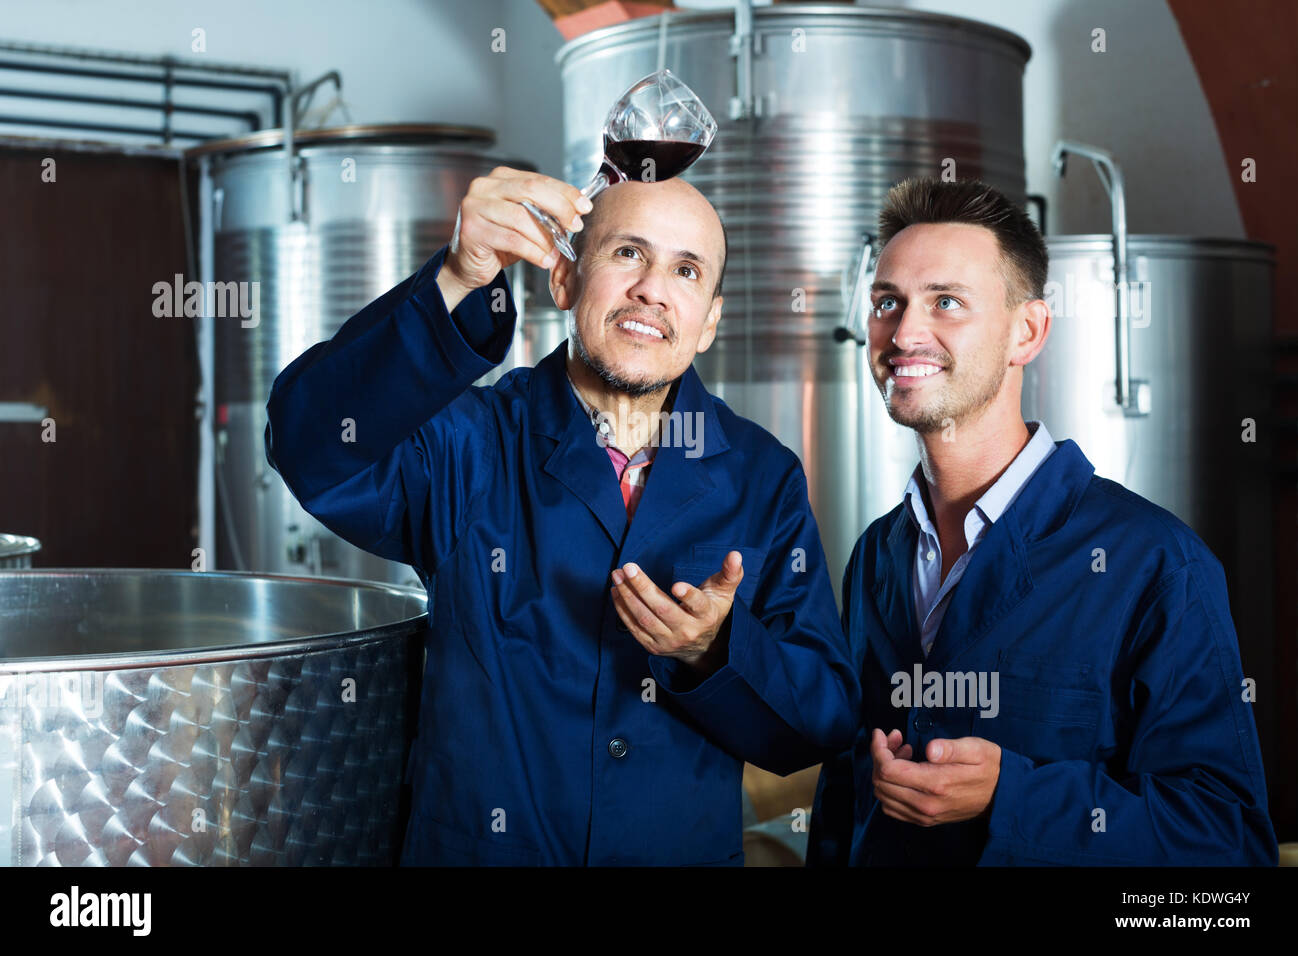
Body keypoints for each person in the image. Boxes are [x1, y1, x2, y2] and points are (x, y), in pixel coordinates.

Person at [265, 166, 858, 865]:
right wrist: (459, 275)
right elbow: (308, 444)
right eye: (628, 253)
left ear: (709, 324)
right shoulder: (472, 441)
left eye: (687, 271)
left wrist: (715, 651)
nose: (652, 290)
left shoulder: (762, 476)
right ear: (563, 280)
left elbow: (821, 721)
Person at [807, 176, 1277, 866]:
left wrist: (1013, 796)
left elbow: (1230, 845)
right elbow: (844, 795)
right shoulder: (878, 554)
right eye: (887, 302)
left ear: (1026, 332)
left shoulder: (1154, 563)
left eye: (946, 302)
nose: (905, 332)